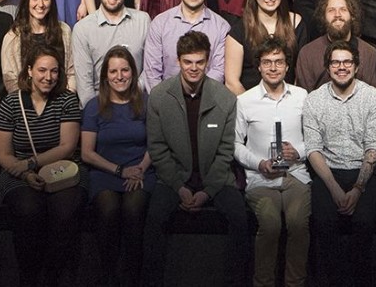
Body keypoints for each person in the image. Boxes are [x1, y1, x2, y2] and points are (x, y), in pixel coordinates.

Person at [144, 31, 249, 287]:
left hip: (216, 178)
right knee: (153, 219)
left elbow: (225, 152)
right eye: (188, 62)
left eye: (199, 62)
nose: (194, 68)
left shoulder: (224, 98)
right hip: (173, 179)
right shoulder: (159, 96)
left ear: (208, 61)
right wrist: (179, 187)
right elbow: (157, 148)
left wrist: (207, 192)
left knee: (240, 217)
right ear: (179, 61)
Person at [0, 46, 85, 287]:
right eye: (42, 70)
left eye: (54, 71)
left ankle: (54, 277)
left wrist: (33, 163)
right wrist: (25, 173)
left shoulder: (66, 100)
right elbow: (4, 154)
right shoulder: (11, 103)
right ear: (30, 70)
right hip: (18, 171)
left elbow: (67, 146)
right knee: (28, 211)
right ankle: (29, 277)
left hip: (61, 170)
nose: (48, 77)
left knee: (65, 212)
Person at [303, 40, 376, 287]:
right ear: (328, 68)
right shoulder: (314, 100)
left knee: (364, 223)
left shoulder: (373, 97)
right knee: (324, 223)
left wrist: (358, 188)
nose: (342, 67)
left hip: (364, 173)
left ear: (357, 66)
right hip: (328, 172)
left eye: (347, 62)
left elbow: (373, 145)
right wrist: (334, 187)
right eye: (335, 62)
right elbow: (313, 149)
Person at [235, 37, 312, 287]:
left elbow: (315, 138)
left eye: (279, 62)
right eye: (267, 62)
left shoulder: (302, 97)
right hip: (261, 179)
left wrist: (297, 152)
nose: (273, 67)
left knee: (298, 223)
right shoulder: (245, 101)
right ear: (258, 66)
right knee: (270, 224)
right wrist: (259, 163)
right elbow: (235, 144)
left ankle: (294, 283)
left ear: (287, 66)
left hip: (295, 174)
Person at [81, 46, 154, 286]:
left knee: (134, 210)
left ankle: (134, 276)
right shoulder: (94, 106)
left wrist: (140, 169)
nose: (119, 76)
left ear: (133, 73)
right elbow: (87, 153)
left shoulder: (145, 102)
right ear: (105, 76)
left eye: (125, 70)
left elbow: (155, 143)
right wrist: (120, 171)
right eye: (113, 71)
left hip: (141, 170)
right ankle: (108, 274)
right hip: (105, 172)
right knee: (108, 210)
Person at [71, 0, 151, 107]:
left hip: (136, 104)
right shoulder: (83, 29)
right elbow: (84, 85)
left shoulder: (143, 21)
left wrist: (130, 98)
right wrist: (95, 113)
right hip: (99, 108)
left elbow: (149, 69)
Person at [143, 0, 229, 91]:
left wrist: (200, 98)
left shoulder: (221, 27)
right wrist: (161, 102)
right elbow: (152, 72)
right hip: (166, 98)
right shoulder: (160, 23)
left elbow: (219, 71)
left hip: (207, 98)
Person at [225, 0, 304, 94]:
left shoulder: (296, 23)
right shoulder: (239, 30)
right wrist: (252, 106)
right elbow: (231, 82)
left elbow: (301, 75)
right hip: (250, 103)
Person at [0, 0, 75, 94]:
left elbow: (71, 71)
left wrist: (68, 99)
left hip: (61, 102)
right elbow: (10, 80)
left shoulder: (64, 31)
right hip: (25, 105)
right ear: (26, 1)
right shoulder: (13, 37)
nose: (41, 4)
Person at [295, 0, 376, 90]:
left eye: (343, 10)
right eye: (331, 10)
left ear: (352, 15)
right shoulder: (307, 54)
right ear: (323, 17)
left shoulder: (369, 53)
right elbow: (305, 98)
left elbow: (374, 95)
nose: (337, 15)